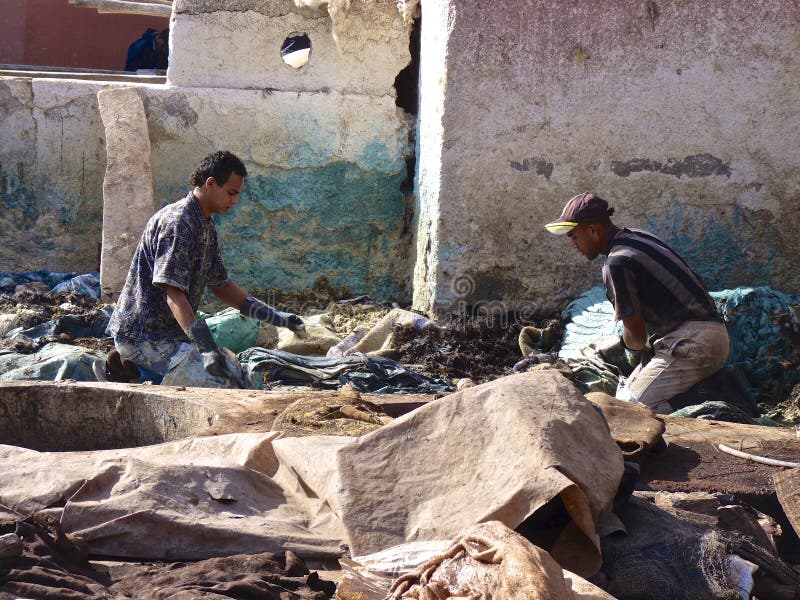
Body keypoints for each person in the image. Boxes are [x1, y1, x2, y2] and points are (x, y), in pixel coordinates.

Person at [106, 150, 305, 387]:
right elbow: (174, 295)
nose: (234, 201)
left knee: (233, 368)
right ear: (210, 183)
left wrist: (277, 317)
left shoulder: (206, 226)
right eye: (231, 193)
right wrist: (207, 349)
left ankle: (135, 367)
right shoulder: (178, 223)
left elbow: (222, 286)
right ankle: (133, 363)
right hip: (143, 336)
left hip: (171, 334)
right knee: (222, 383)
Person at [545, 192, 730, 414]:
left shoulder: (617, 262)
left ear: (593, 230)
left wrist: (621, 349)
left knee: (629, 410)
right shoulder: (638, 237)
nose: (574, 245)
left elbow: (637, 338)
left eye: (574, 237)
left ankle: (713, 394)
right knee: (621, 399)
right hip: (707, 336)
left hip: (692, 343)